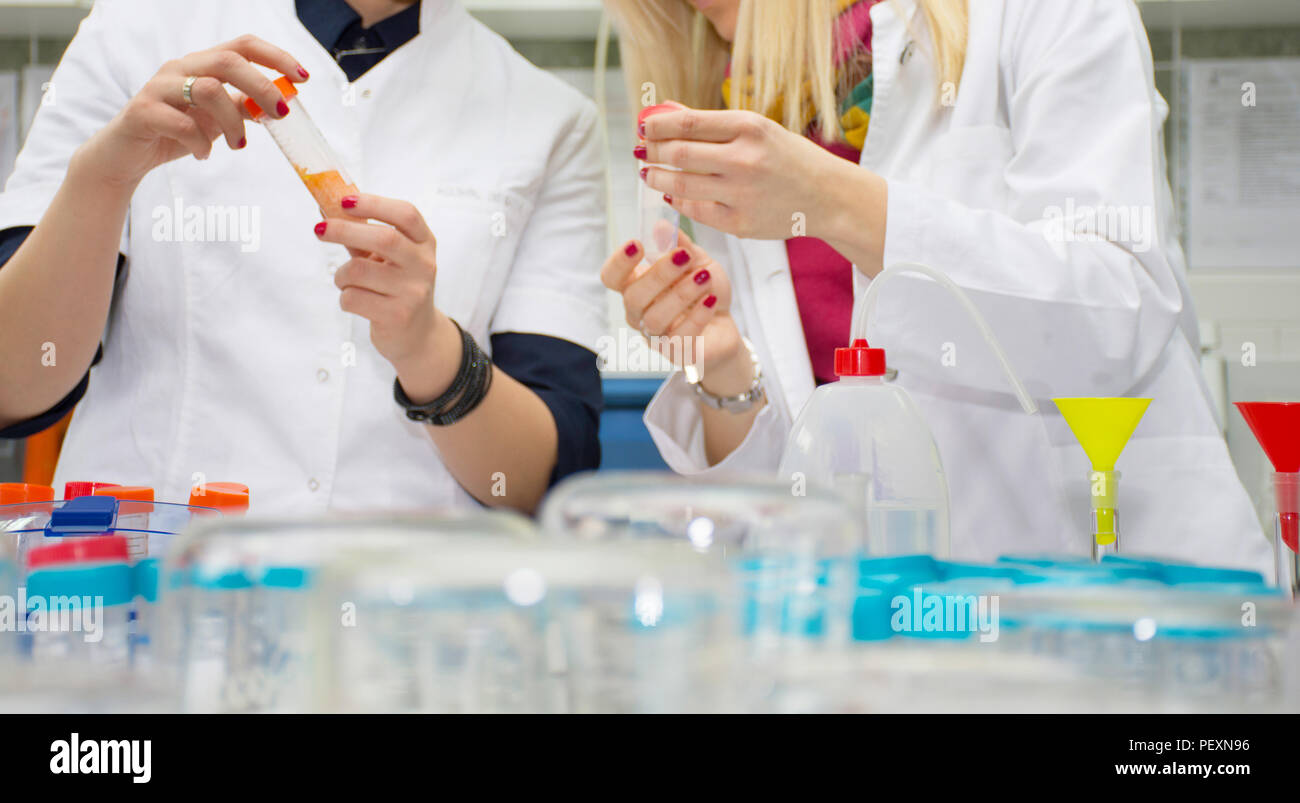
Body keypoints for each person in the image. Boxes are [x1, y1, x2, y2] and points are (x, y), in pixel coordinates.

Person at [600, 0, 1272, 571]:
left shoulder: (1028, 15)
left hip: (1115, 613)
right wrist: (722, 367)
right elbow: (789, 501)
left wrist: (837, 202)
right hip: (881, 647)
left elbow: (1118, 308)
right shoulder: (735, 97)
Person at [0, 0, 608, 514]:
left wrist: (428, 349)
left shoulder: (549, 116)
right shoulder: (135, 31)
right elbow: (17, 384)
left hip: (414, 617)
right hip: (157, 599)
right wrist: (102, 181)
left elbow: (541, 480)